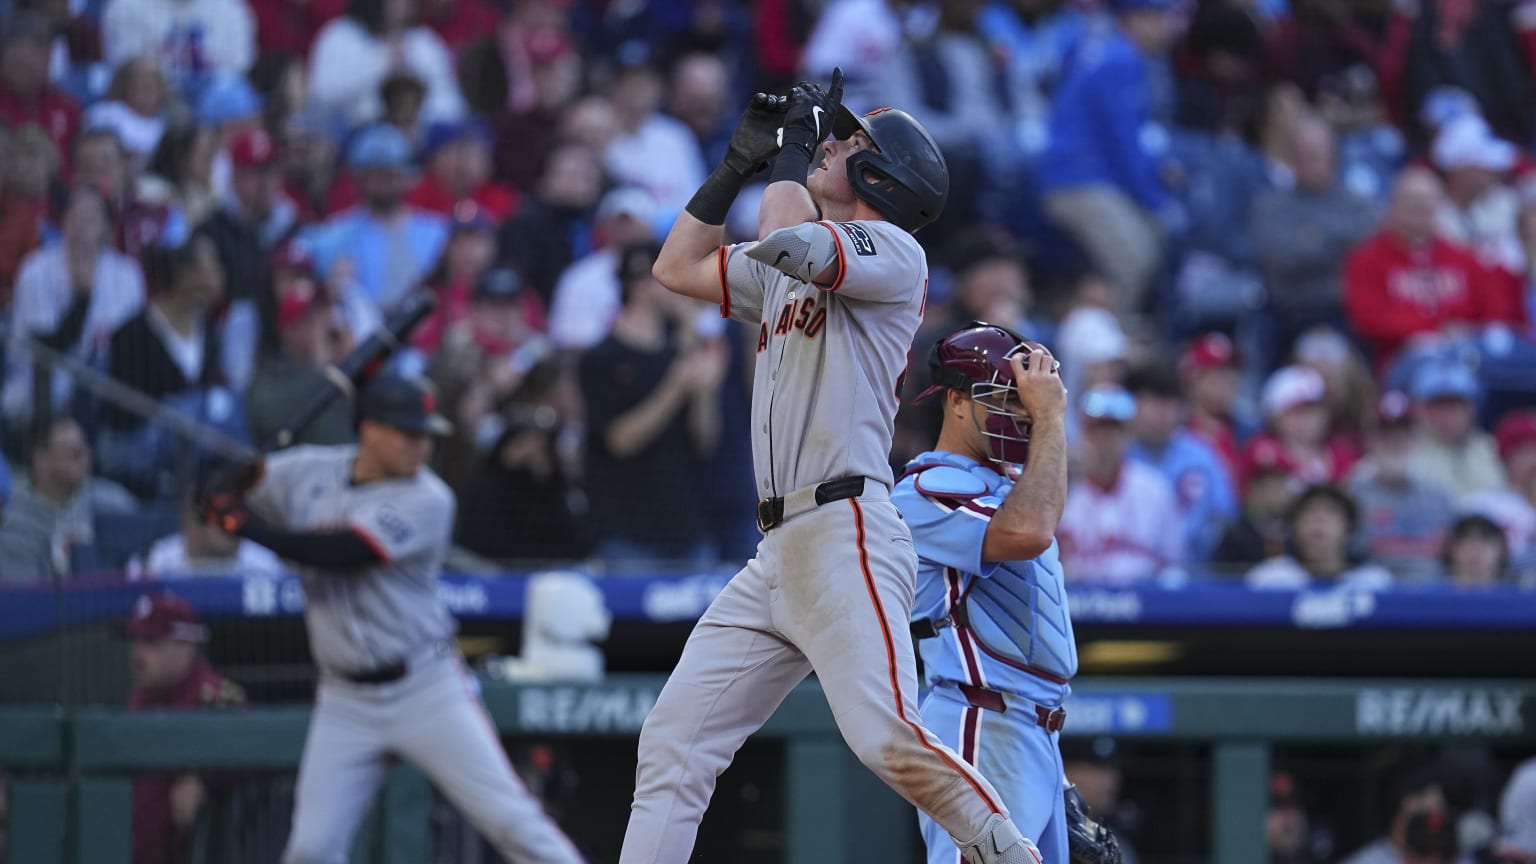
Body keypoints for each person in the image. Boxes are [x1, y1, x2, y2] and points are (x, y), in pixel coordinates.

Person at [631, 74, 1047, 863]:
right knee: (675, 743)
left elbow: (789, 238)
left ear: (880, 177)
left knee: (883, 734)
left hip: (845, 526)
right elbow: (675, 268)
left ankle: (1008, 852)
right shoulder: (801, 246)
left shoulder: (895, 251)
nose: (830, 143)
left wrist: (788, 157)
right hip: (778, 551)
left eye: (850, 142)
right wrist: (735, 166)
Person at [196, 373, 582, 864]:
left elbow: (343, 551)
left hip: (424, 686)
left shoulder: (429, 498)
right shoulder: (309, 471)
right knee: (311, 851)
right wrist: (219, 485)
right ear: (368, 429)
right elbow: (237, 479)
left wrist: (245, 525)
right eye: (407, 432)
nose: (420, 445)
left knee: (512, 822)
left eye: (426, 434)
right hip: (344, 699)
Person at [893, 324, 1120, 864]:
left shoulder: (1012, 483)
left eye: (1023, 403)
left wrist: (1056, 777)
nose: (1020, 413)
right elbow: (1027, 532)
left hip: (1034, 728)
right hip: (978, 718)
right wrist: (1053, 416)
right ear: (955, 402)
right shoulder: (924, 488)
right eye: (1004, 399)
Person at [125, 591, 246, 864]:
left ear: (186, 644)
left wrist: (203, 779)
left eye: (151, 641)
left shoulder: (213, 696)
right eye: (135, 640)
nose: (137, 653)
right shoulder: (140, 697)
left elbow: (251, 750)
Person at [1059, 384, 1185, 586]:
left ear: (1129, 434)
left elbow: (1173, 565)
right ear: (1084, 434)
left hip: (1148, 609)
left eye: (1114, 431)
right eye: (1098, 431)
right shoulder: (1062, 490)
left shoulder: (1155, 489)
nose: (1106, 440)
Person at [1245, 484, 1394, 590]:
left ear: (1349, 528)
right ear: (1294, 528)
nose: (1318, 520)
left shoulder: (1374, 582)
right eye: (1308, 513)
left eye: (1330, 512)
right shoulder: (1270, 579)